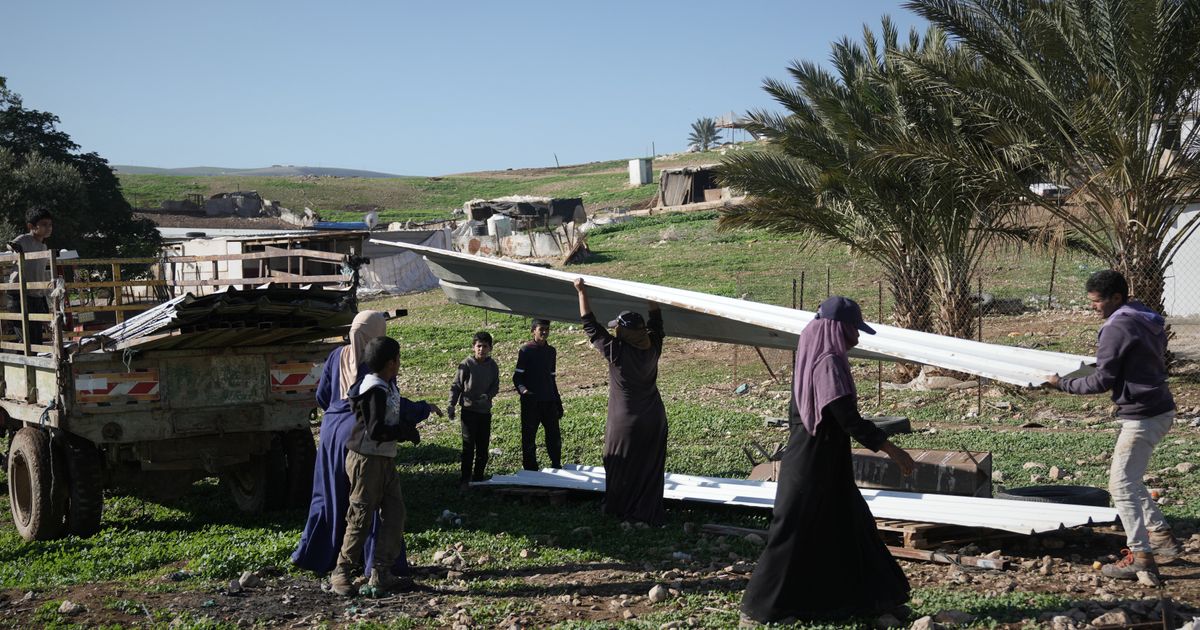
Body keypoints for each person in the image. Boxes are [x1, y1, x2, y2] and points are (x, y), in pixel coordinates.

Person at [741, 296, 915, 625]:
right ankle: (756, 611)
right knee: (790, 532)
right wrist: (894, 450)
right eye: (853, 330)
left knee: (853, 527)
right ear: (837, 328)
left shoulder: (814, 356)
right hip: (811, 464)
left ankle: (876, 603)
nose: (857, 337)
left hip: (826, 461)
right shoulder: (827, 363)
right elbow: (848, 419)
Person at [1045, 269, 1183, 580]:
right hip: (1160, 407)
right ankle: (1160, 536)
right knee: (1131, 479)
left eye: (1096, 302)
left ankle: (1141, 554)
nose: (1093, 307)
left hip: (1141, 415)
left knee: (1120, 485)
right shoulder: (1143, 315)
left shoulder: (1116, 327)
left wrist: (1061, 384)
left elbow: (1101, 381)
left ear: (1116, 298)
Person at [293, 311, 410, 583]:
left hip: (332, 433)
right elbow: (390, 410)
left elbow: (322, 395)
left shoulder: (337, 355)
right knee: (368, 505)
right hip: (364, 439)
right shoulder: (379, 362)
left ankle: (322, 556)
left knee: (332, 497)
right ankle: (368, 567)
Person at [332, 335, 442, 596]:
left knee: (395, 513)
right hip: (366, 460)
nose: (399, 363)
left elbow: (397, 410)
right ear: (391, 363)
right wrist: (405, 432)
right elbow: (376, 429)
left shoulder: (385, 385)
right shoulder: (374, 390)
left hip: (383, 459)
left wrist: (420, 412)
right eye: (398, 359)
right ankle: (341, 573)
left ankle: (381, 572)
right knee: (360, 516)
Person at [573, 278, 668, 525]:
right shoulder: (652, 347)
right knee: (649, 467)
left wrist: (581, 291)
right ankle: (647, 512)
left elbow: (590, 325)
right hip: (655, 418)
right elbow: (656, 321)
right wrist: (651, 294)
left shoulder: (618, 352)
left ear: (623, 331)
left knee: (618, 462)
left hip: (626, 420)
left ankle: (620, 509)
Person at [448, 331, 500, 487]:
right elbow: (456, 385)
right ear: (473, 347)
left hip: (484, 412)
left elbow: (495, 386)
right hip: (469, 412)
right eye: (478, 346)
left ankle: (478, 478)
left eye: (485, 346)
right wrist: (451, 404)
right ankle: (465, 479)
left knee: (483, 448)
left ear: (490, 348)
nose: (481, 350)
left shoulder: (492, 366)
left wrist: (488, 396)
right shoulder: (467, 364)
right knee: (468, 446)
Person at [513, 318, 564, 470]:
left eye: (547, 329)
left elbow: (552, 378)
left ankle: (556, 465)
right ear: (533, 331)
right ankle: (530, 469)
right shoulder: (526, 350)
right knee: (529, 438)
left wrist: (558, 402)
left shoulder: (551, 351)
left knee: (554, 436)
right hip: (531, 402)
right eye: (541, 329)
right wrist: (524, 391)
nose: (544, 332)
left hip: (549, 401)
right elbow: (517, 377)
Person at [8, 207, 54, 345]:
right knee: (25, 338)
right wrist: (17, 250)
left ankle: (32, 364)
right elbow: (10, 245)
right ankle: (24, 365)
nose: (48, 228)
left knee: (37, 338)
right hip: (19, 294)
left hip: (36, 295)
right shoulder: (25, 239)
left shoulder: (43, 247)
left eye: (50, 225)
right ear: (31, 226)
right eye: (44, 224)